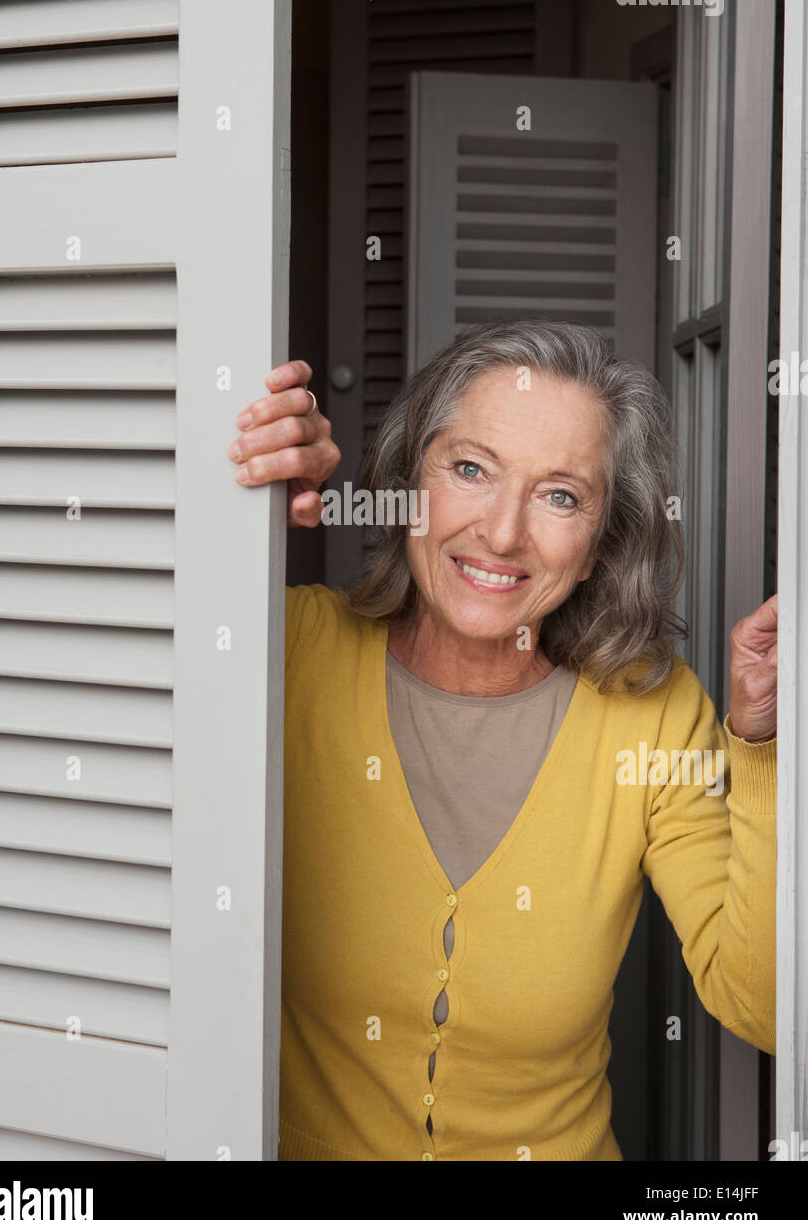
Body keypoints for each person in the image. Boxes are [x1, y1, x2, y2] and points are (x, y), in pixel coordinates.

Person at [229, 320, 777, 1162]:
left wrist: (764, 750)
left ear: (597, 547)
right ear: (409, 484)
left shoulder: (653, 715)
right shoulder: (287, 651)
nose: (502, 532)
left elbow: (764, 1006)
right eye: (471, 470)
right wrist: (232, 499)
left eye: (561, 496)